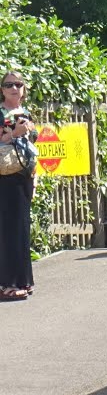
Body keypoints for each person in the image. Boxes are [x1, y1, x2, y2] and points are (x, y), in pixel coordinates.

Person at [0, 71, 36, 300]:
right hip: (4, 176)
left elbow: (33, 146)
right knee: (8, 229)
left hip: (24, 176)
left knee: (22, 229)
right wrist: (15, 133)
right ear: (2, 89)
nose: (14, 88)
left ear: (24, 90)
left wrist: (35, 176)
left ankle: (24, 281)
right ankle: (8, 284)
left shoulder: (26, 113)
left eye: (18, 84)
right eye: (9, 84)